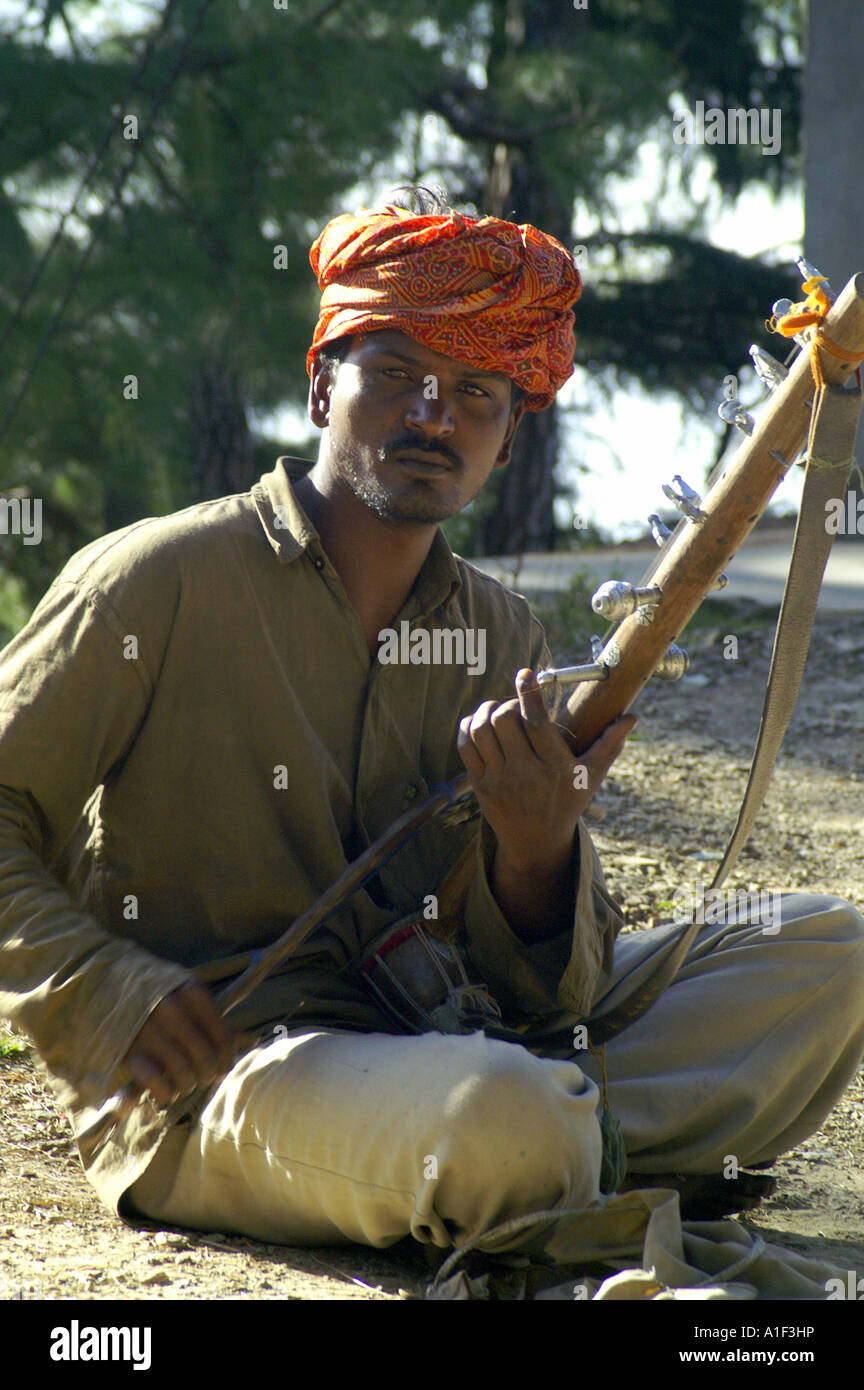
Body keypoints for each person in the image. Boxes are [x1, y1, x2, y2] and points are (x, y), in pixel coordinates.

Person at [0, 191, 862, 1270]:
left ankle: (550, 1156)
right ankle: (568, 1152)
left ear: (507, 443)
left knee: (826, 949)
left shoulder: (504, 630)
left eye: (474, 392)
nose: (432, 415)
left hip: (458, 1046)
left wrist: (539, 851)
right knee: (503, 1111)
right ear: (322, 386)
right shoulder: (157, 581)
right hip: (223, 1078)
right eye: (397, 375)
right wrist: (109, 989)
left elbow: (556, 994)